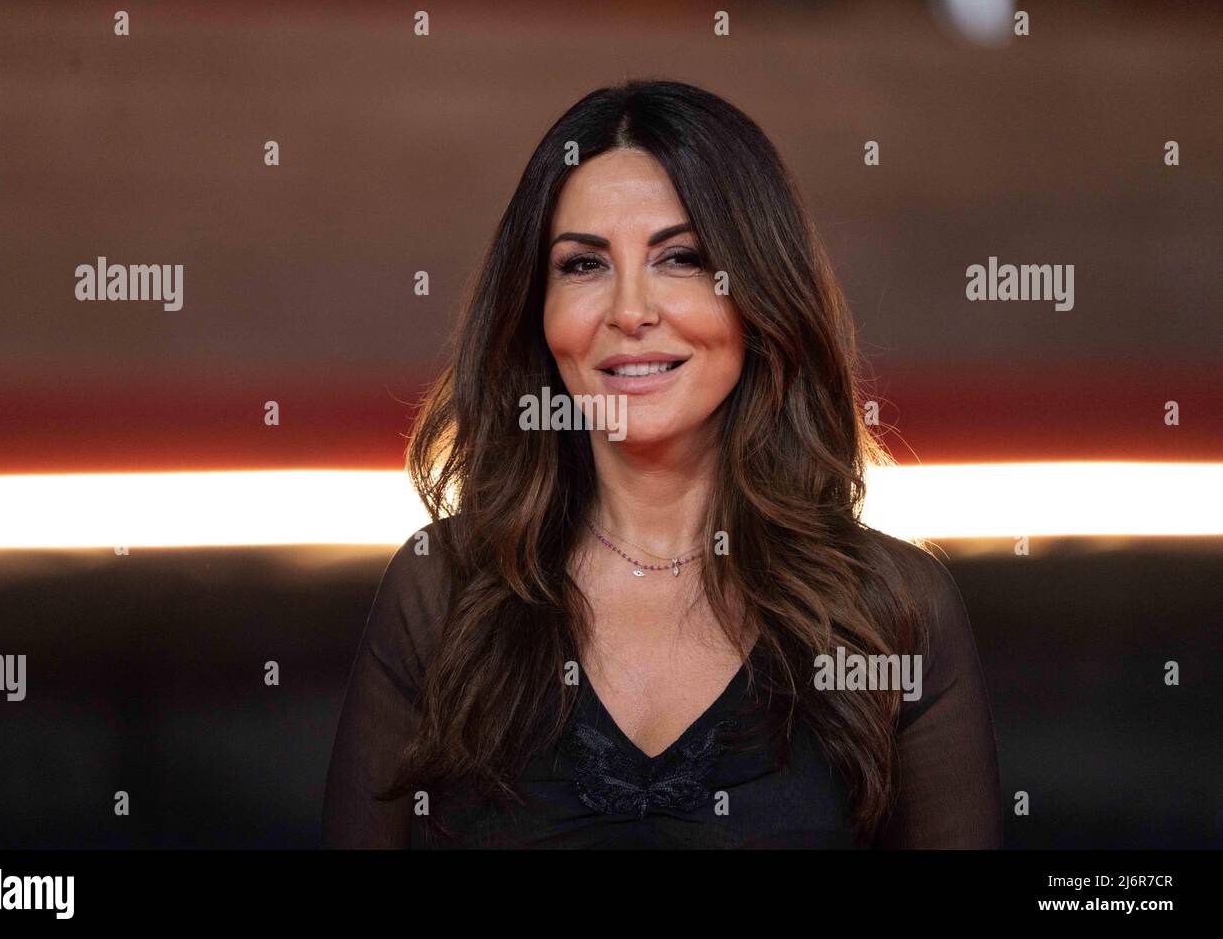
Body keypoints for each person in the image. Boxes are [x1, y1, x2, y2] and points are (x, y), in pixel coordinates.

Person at [322, 79, 1002, 848]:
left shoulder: (893, 614)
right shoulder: (441, 593)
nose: (631, 311)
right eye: (583, 266)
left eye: (681, 258)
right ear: (534, 311)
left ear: (758, 295)